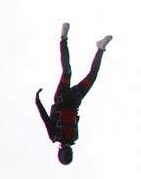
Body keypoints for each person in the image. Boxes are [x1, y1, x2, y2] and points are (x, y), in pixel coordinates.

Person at [36, 22, 112, 165]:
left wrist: (37, 101)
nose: (68, 150)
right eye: (69, 153)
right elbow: (75, 118)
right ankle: (100, 48)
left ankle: (63, 39)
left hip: (61, 98)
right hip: (74, 100)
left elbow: (45, 117)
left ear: (61, 152)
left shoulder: (54, 136)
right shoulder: (74, 137)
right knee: (92, 76)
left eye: (66, 153)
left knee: (67, 71)